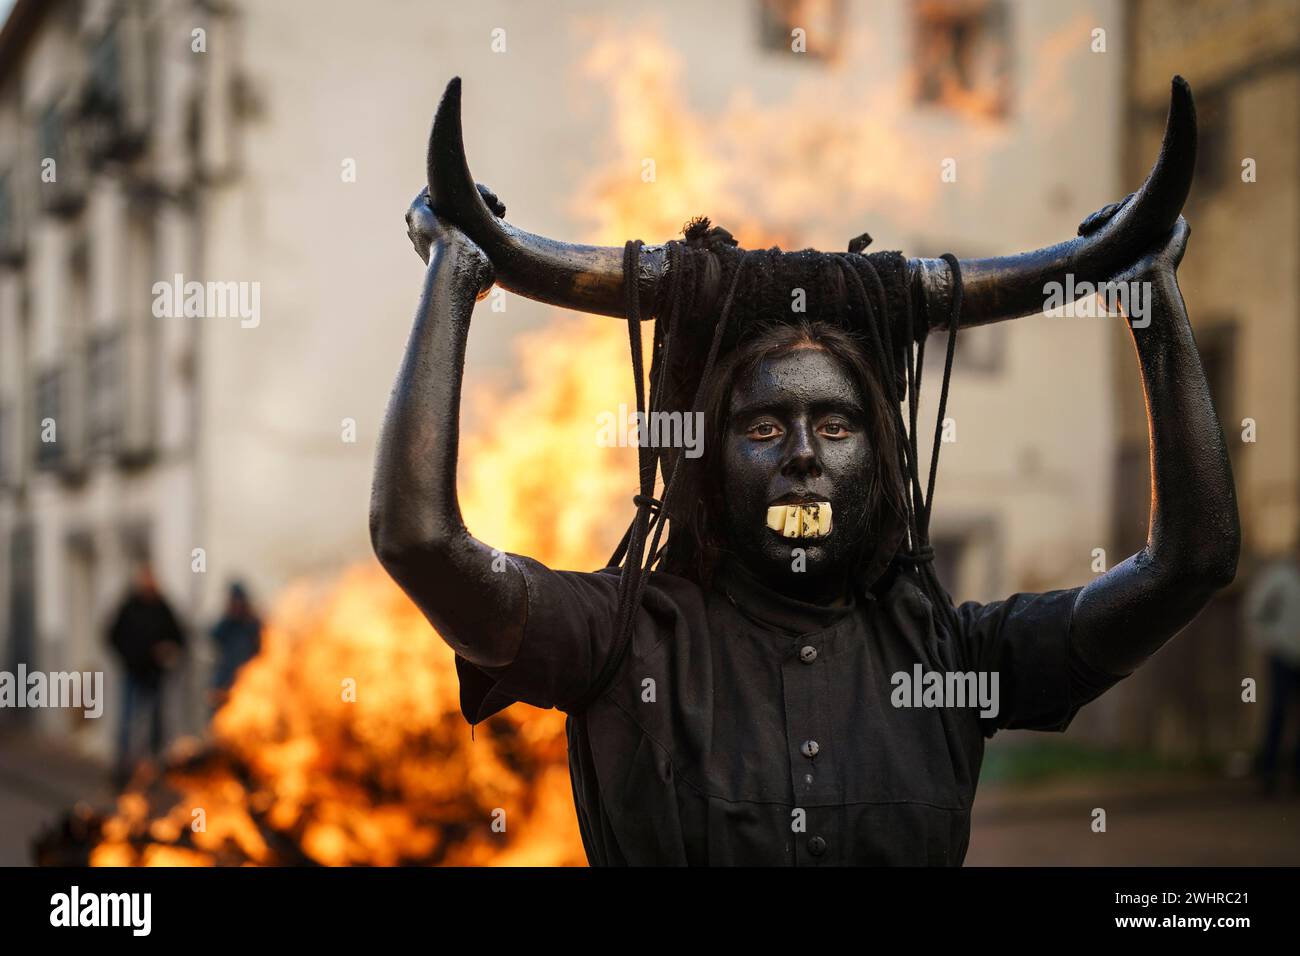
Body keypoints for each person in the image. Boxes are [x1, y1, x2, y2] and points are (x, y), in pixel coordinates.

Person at [371, 80, 1239, 865]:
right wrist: (454, 276)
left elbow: (1189, 564)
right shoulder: (618, 637)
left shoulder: (949, 657)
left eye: (835, 424)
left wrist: (1151, 298)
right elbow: (419, 541)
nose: (801, 453)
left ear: (880, 460)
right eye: (761, 425)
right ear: (709, 463)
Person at [106, 562, 186, 785]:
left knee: (157, 724)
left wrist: (169, 650)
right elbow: (111, 635)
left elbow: (179, 637)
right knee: (127, 722)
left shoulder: (163, 607)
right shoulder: (129, 606)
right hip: (133, 673)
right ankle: (122, 769)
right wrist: (128, 657)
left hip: (155, 676)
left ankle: (154, 768)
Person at [1244, 547, 1300, 791]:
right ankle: (1269, 771)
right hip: (1283, 655)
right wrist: (1267, 640)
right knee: (1277, 710)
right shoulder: (1279, 577)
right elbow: (1255, 609)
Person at [208, 581, 263, 712]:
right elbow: (214, 636)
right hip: (226, 680)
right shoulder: (228, 624)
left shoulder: (252, 625)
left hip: (247, 683)